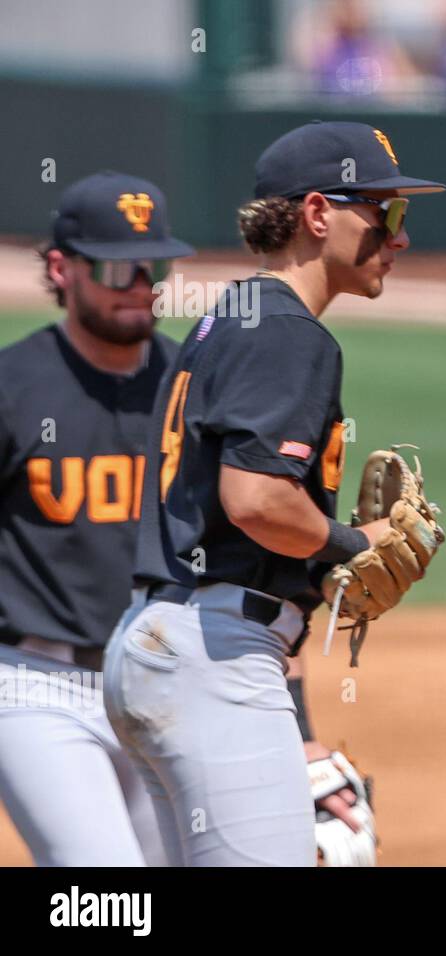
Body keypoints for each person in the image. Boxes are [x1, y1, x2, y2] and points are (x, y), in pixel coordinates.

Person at [102, 121, 445, 866]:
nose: (400, 236)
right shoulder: (290, 332)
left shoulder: (228, 316)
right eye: (385, 212)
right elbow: (255, 500)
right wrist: (358, 545)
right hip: (215, 659)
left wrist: (318, 560)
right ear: (319, 214)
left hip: (160, 640)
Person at [0, 171, 192, 865]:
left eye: (154, 266)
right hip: (34, 683)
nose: (138, 283)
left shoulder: (192, 391)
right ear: (61, 268)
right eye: (116, 267)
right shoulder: (12, 389)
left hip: (167, 684)